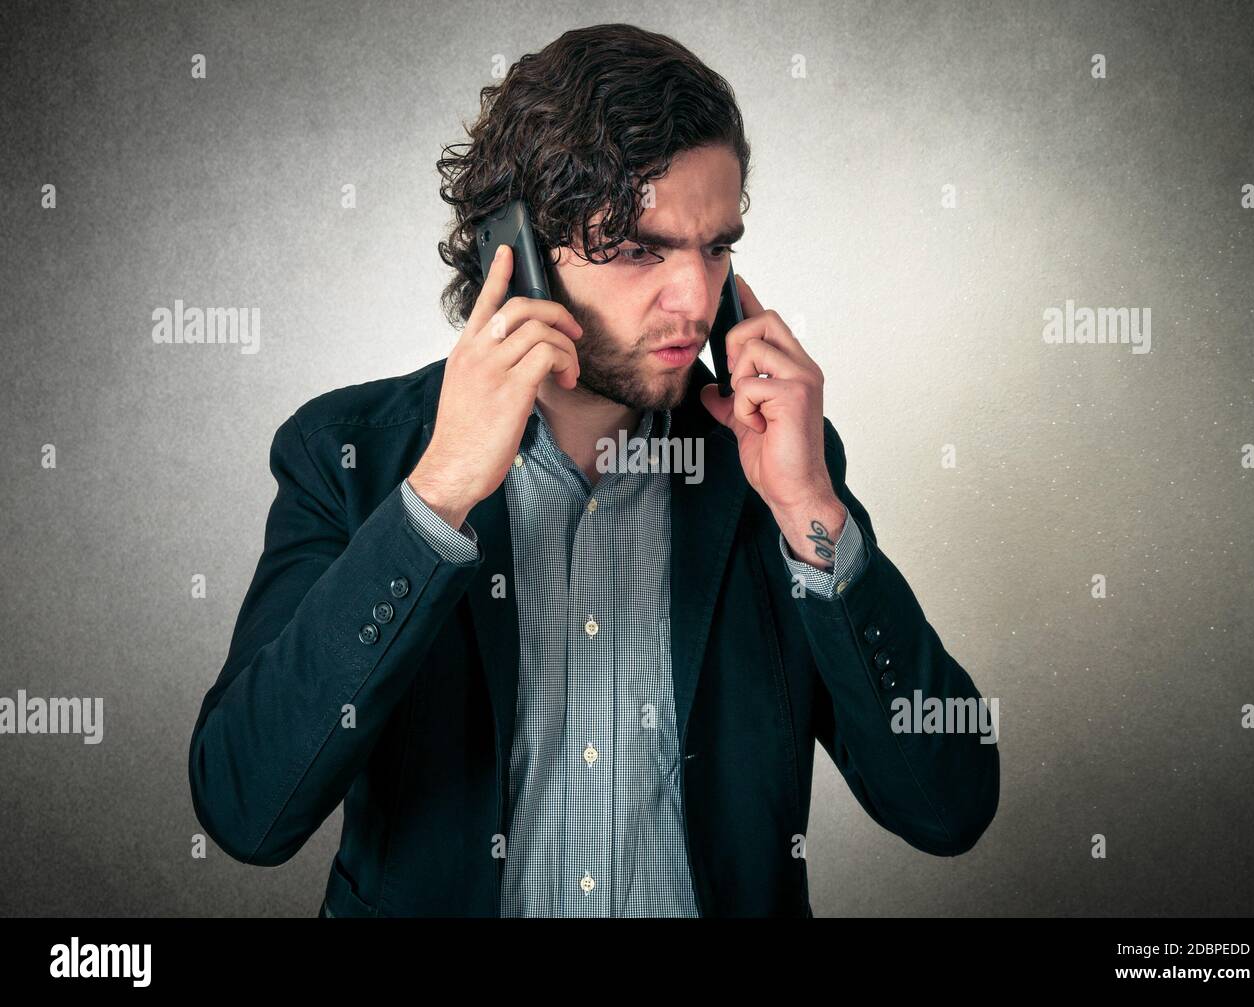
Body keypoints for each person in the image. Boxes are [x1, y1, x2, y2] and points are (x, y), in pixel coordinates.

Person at [187, 22, 998, 918]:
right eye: (643, 249)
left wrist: (813, 513)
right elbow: (246, 811)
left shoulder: (775, 465)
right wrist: (438, 495)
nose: (694, 298)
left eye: (716, 246)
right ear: (519, 252)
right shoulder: (347, 454)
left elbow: (947, 807)